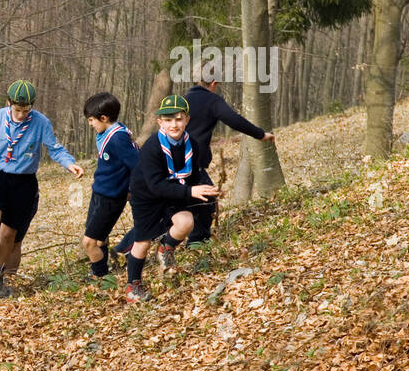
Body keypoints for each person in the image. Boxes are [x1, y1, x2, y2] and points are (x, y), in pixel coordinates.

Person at [0, 80, 85, 297]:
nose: (22, 114)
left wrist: (69, 163)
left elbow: (54, 148)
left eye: (26, 110)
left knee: (8, 234)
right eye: (18, 110)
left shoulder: (40, 122)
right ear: (9, 103)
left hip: (24, 181)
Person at [122, 94, 219, 303]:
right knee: (142, 242)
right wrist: (190, 192)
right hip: (146, 196)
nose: (173, 124)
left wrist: (207, 188)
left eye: (178, 118)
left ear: (187, 120)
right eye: (168, 120)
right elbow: (155, 185)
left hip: (174, 190)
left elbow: (193, 173)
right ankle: (133, 286)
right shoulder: (151, 148)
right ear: (160, 122)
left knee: (186, 223)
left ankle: (166, 248)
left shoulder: (190, 142)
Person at [183, 63, 275, 243]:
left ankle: (128, 247)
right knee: (207, 200)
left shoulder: (183, 99)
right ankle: (196, 242)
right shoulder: (211, 100)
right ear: (214, 82)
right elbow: (234, 120)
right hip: (192, 161)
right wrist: (260, 134)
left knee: (177, 205)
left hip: (174, 158)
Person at [80, 92, 139, 281]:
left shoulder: (118, 138)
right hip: (99, 192)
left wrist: (130, 189)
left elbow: (137, 165)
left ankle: (100, 276)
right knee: (98, 239)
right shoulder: (108, 132)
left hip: (111, 197)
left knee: (89, 243)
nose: (90, 124)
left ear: (104, 118)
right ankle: (103, 270)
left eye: (91, 120)